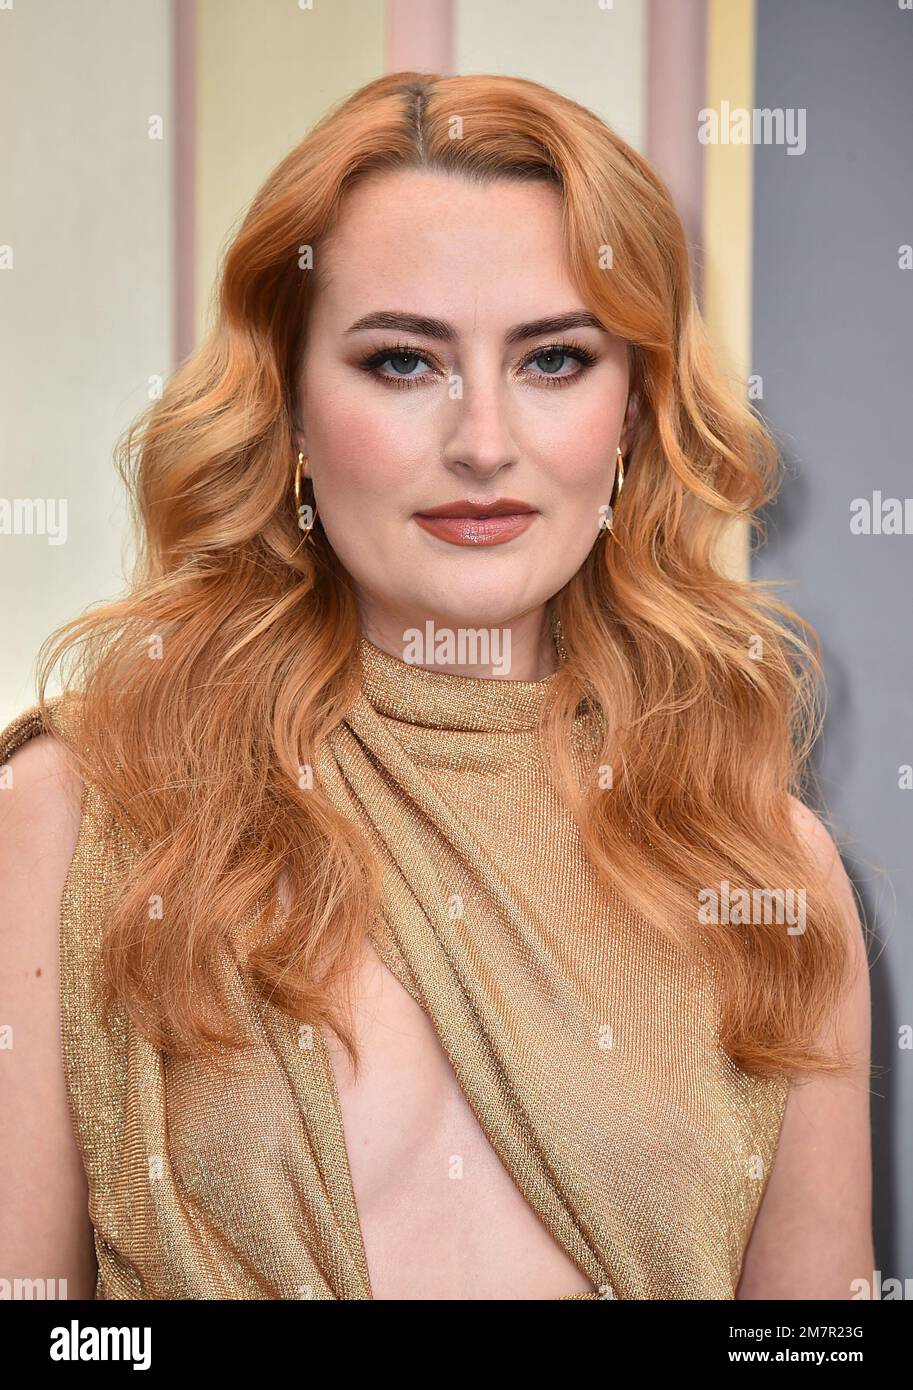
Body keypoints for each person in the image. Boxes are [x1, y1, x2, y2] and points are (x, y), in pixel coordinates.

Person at [0, 71, 873, 1301]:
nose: (480, 441)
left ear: (631, 417)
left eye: (555, 359)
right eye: (403, 362)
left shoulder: (762, 866)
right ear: (291, 405)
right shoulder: (82, 808)